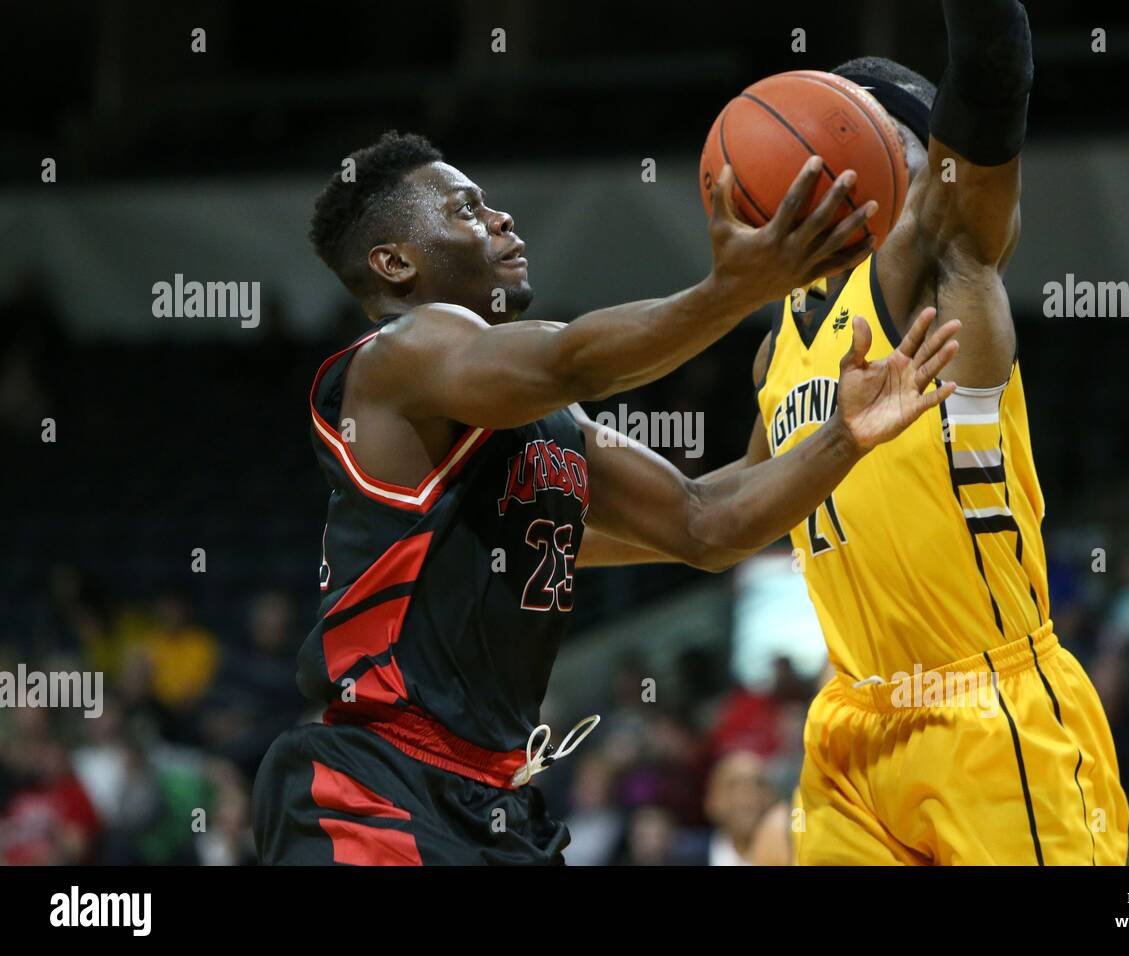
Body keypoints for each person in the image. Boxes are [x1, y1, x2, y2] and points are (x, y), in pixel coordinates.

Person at [251, 130, 961, 864]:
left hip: (496, 798)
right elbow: (574, 359)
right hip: (373, 783)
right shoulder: (396, 359)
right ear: (395, 262)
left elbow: (705, 522)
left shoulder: (550, 424)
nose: (501, 220)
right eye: (466, 209)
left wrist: (840, 432)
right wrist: (737, 288)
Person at [584, 0, 1129, 865]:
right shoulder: (776, 353)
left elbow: (991, 76)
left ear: (913, 158)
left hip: (987, 711)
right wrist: (542, 536)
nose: (817, 153)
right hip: (848, 726)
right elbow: (720, 511)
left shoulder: (944, 261)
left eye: (849, 129)